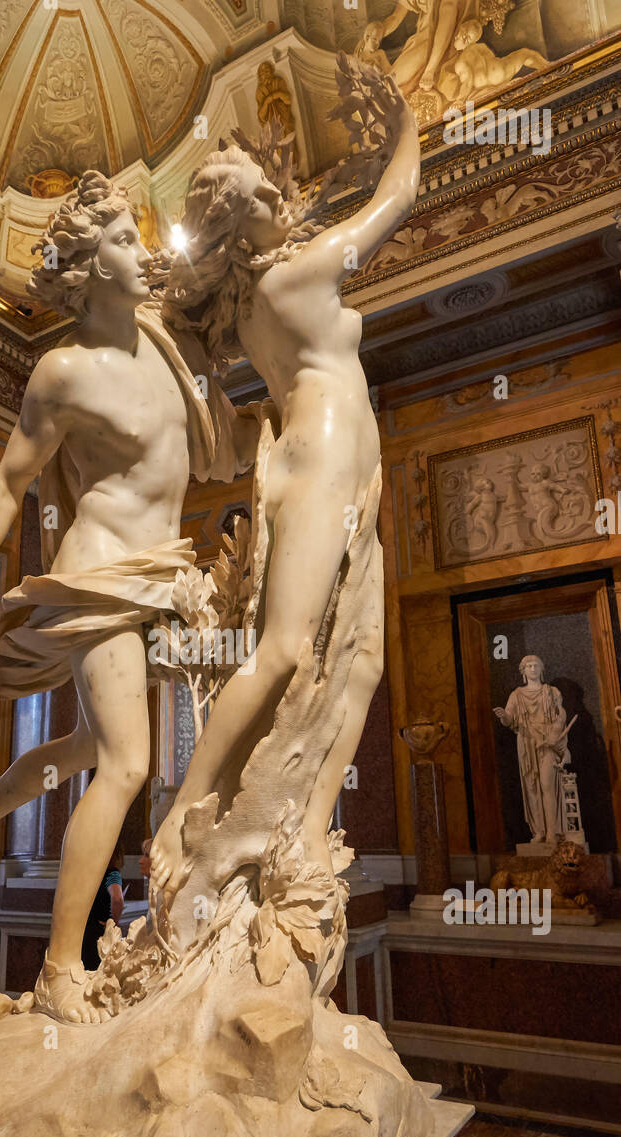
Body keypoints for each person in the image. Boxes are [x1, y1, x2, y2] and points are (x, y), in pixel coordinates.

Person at [0, 172, 255, 1024]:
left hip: (162, 579)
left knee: (84, 746)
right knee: (129, 765)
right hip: (98, 575)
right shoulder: (61, 373)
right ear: (86, 264)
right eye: (122, 240)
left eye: (139, 234)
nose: (142, 251)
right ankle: (59, 968)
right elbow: (7, 482)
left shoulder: (163, 339)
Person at [150, 69, 420, 900]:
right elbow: (401, 196)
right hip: (324, 455)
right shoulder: (295, 275)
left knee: (364, 657)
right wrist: (407, 120)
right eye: (265, 189)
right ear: (243, 219)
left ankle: (301, 830)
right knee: (283, 653)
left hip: (337, 462)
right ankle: (182, 810)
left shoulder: (246, 302)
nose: (282, 190)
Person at [494, 655, 570, 844]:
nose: (533, 668)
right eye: (529, 665)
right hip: (527, 743)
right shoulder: (517, 695)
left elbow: (560, 716)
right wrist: (503, 716)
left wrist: (553, 735)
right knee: (532, 789)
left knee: (547, 785)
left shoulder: (552, 692)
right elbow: (509, 720)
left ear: (541, 669)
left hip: (546, 743)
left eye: (536, 665)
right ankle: (539, 831)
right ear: (523, 670)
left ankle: (552, 831)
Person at [82, 841, 125, 970]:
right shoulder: (112, 874)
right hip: (100, 933)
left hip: (85, 931)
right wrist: (114, 922)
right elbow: (117, 899)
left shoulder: (89, 874)